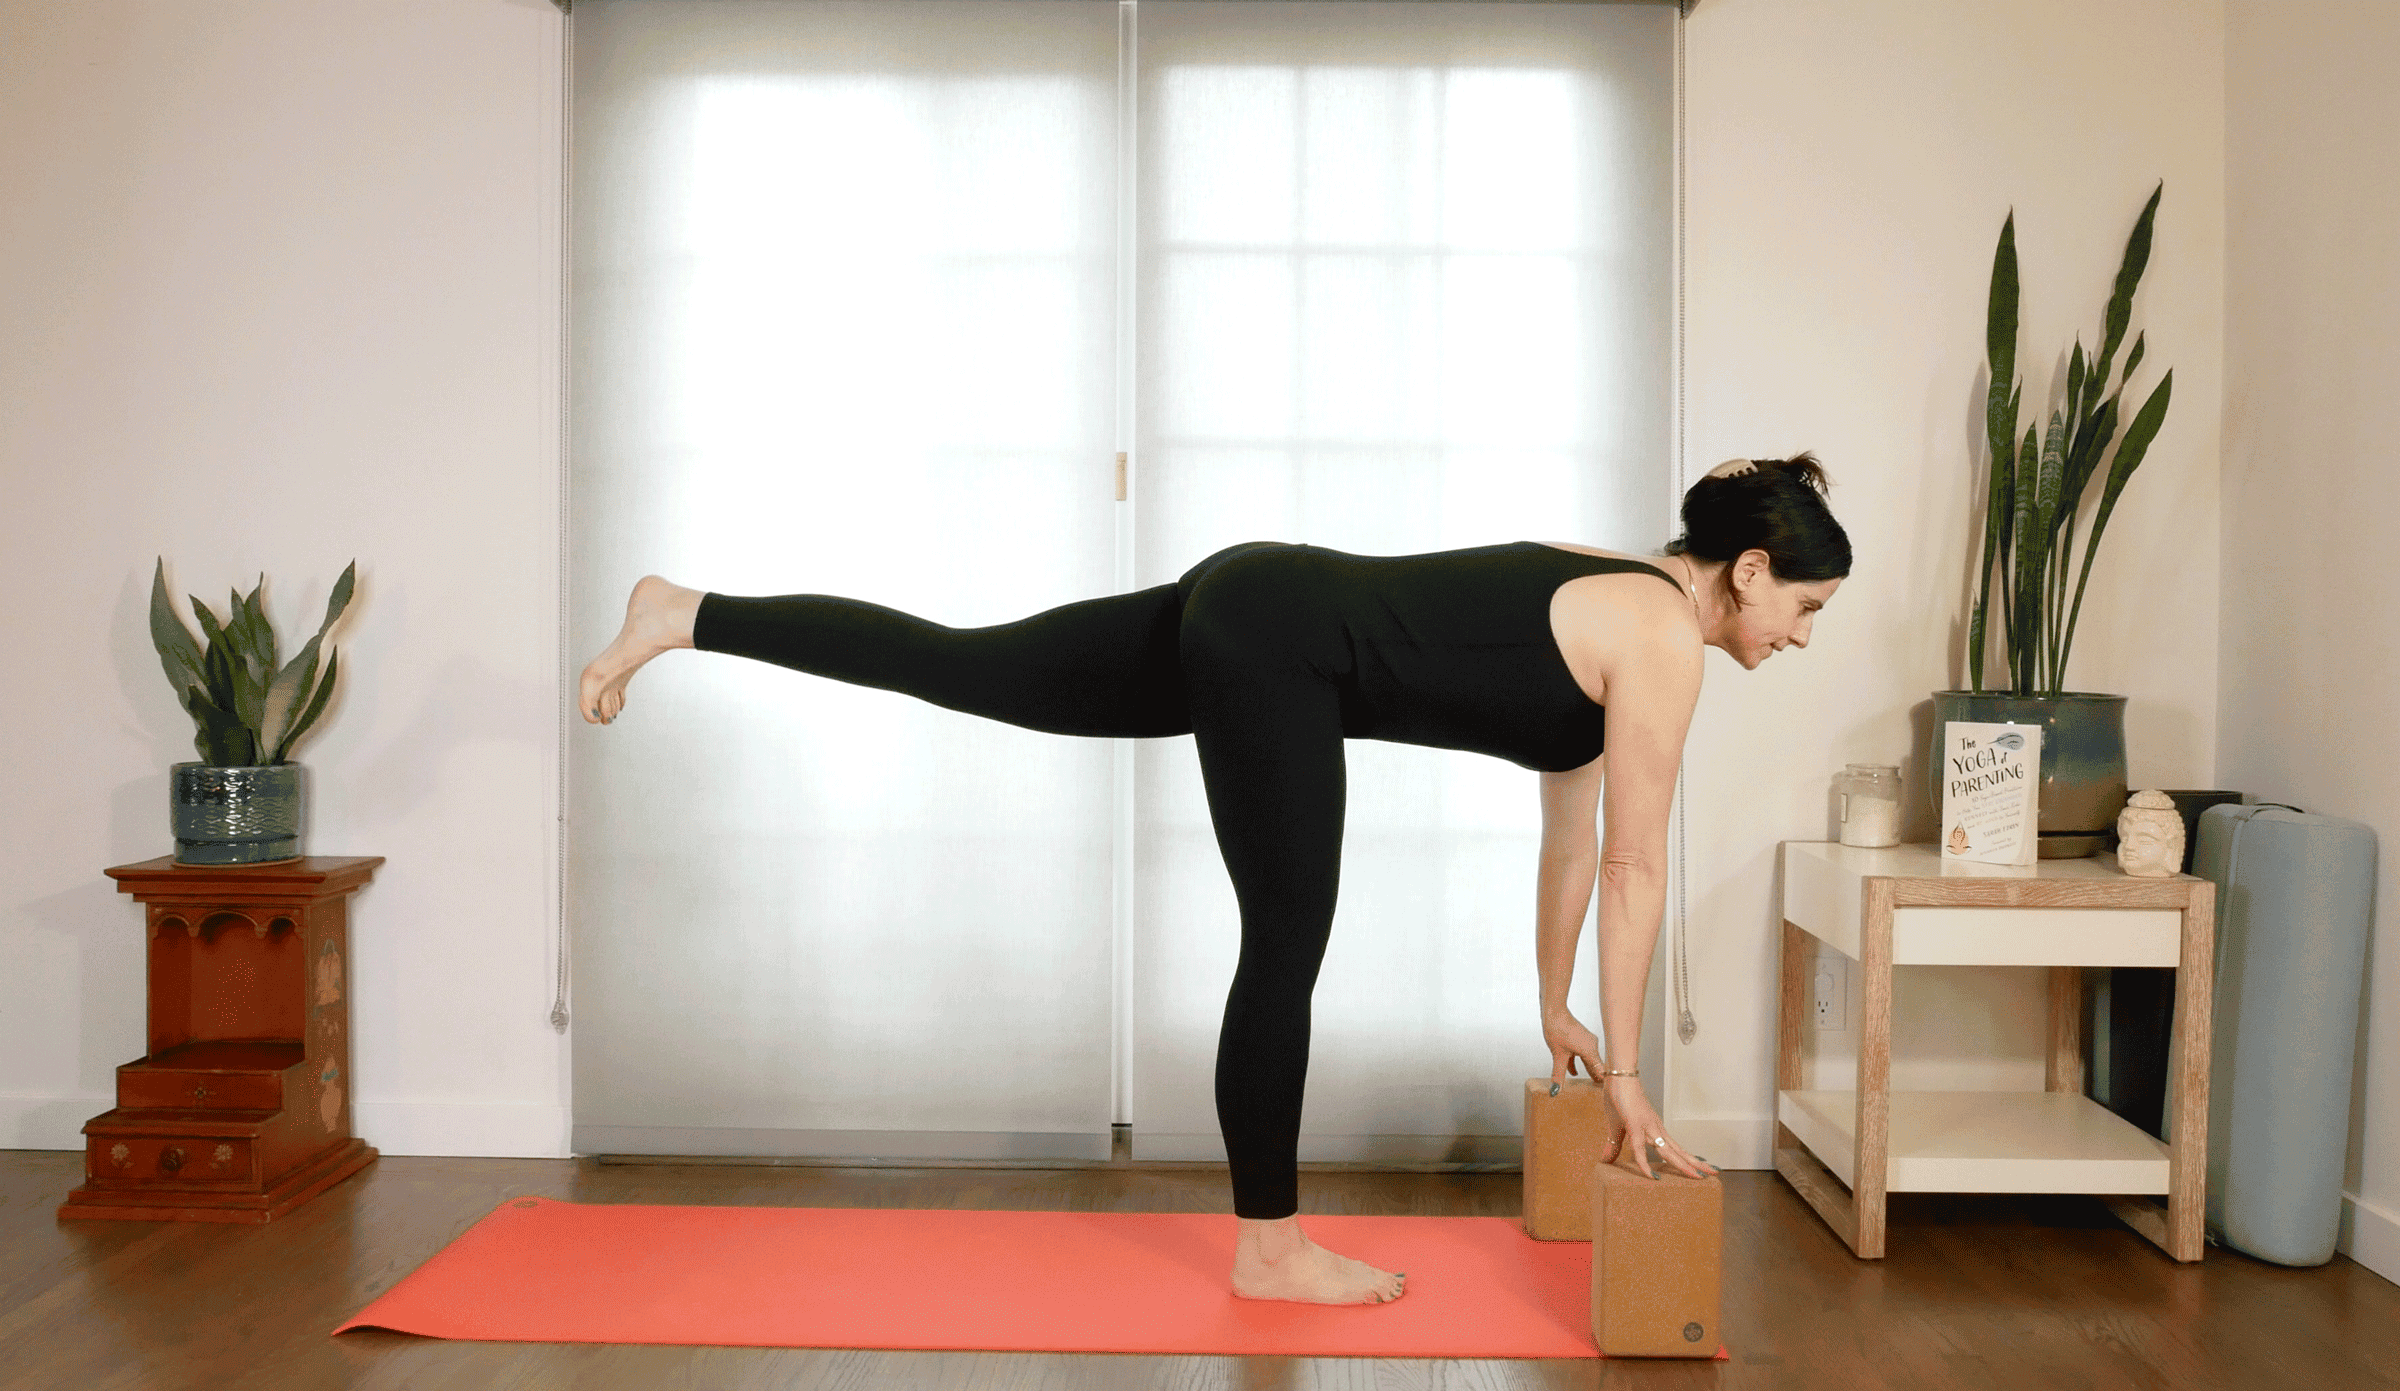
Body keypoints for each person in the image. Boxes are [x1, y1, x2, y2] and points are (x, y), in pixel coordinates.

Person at [577, 454, 1852, 1307]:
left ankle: (683, 611)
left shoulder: (1616, 583)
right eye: (1802, 607)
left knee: (969, 665)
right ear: (1747, 571)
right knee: (1287, 939)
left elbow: (1576, 838)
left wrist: (1558, 1003)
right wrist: (1628, 1078)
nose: (1797, 635)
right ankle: (1271, 1245)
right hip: (1280, 647)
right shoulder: (1665, 646)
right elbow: (1639, 863)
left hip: (1257, 591)